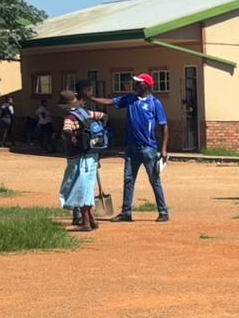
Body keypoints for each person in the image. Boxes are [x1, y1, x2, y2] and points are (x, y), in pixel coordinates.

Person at [85, 73, 169, 222]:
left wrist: (163, 149)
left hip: (148, 148)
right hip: (131, 148)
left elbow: (164, 126)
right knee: (128, 180)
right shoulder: (130, 100)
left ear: (147, 85)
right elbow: (109, 102)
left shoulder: (155, 103)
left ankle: (163, 212)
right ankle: (126, 212)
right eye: (135, 83)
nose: (135, 85)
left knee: (154, 180)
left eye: (138, 83)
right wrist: (91, 98)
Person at [56, 89, 105, 232]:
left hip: (78, 156)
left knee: (79, 187)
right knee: (88, 187)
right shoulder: (86, 113)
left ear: (65, 105)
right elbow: (104, 116)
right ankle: (91, 219)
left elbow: (66, 130)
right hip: (93, 154)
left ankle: (85, 222)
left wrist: (72, 139)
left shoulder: (70, 118)